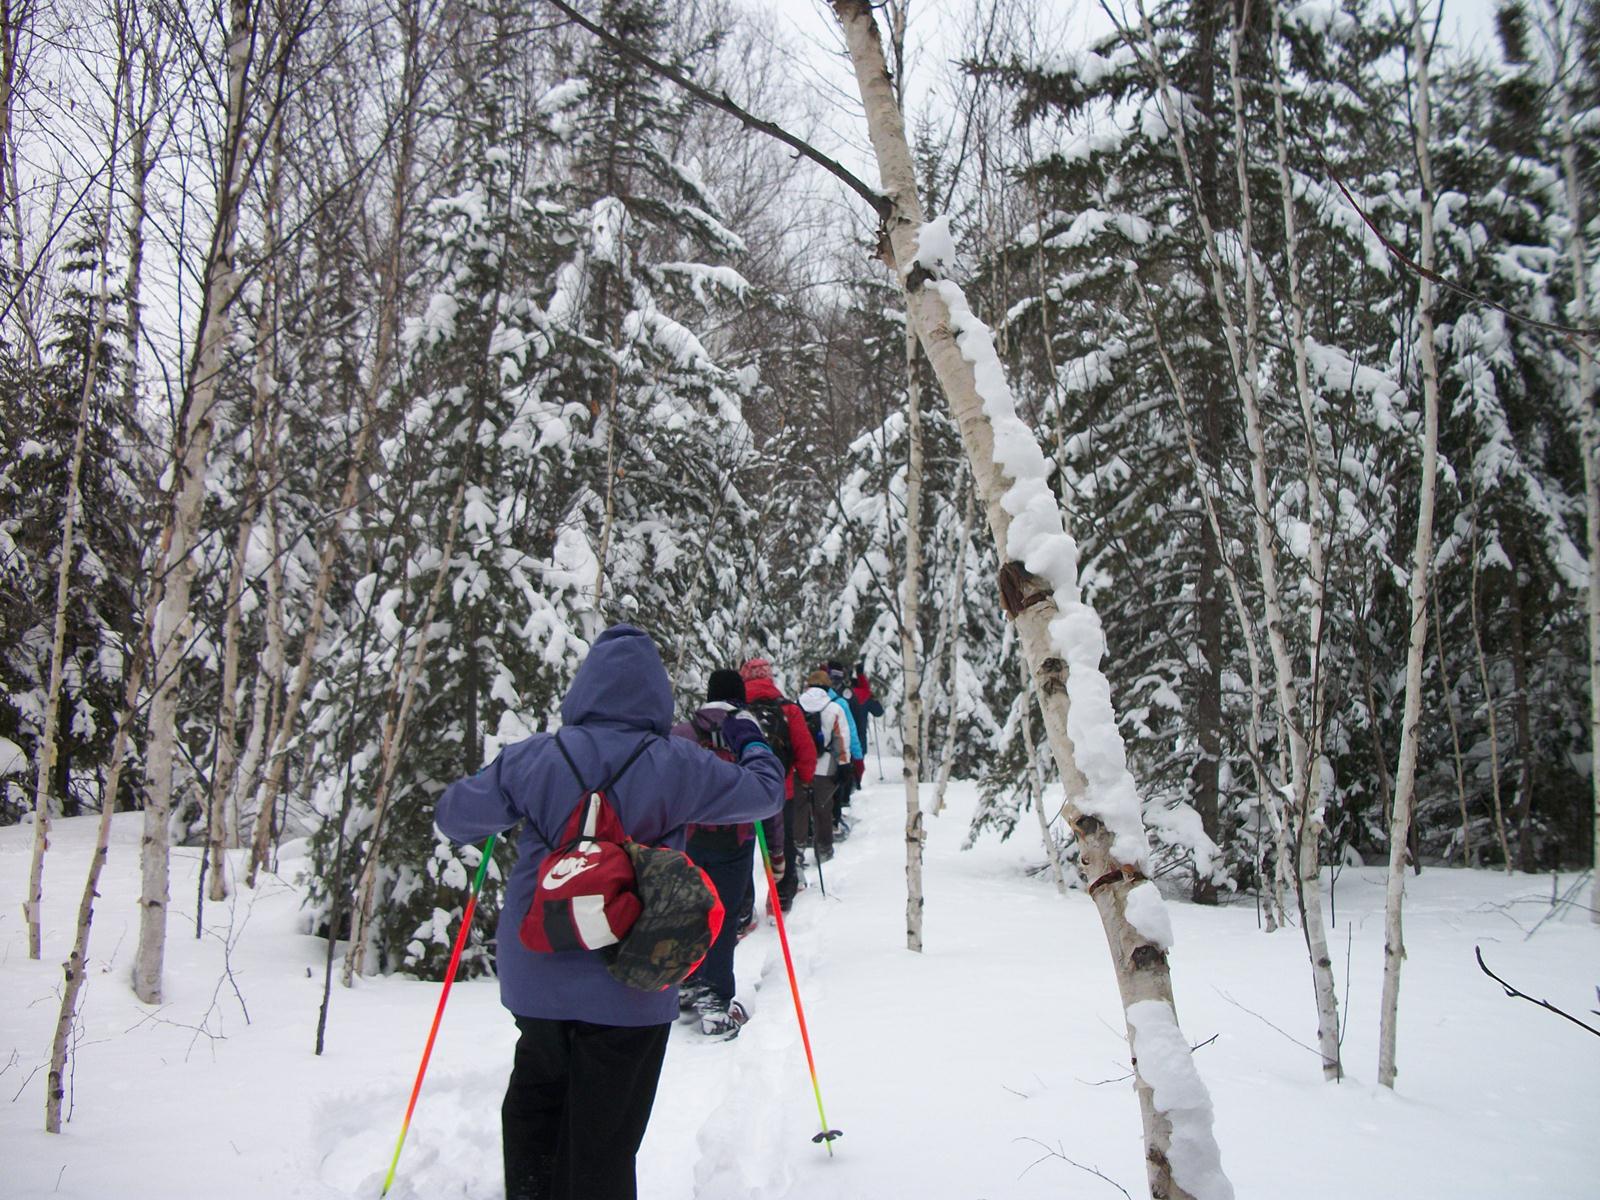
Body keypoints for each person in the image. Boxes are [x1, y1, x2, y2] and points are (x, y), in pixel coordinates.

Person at [433, 625, 783, 1200]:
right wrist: (746, 733)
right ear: (656, 696)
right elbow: (766, 793)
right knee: (604, 1141)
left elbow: (455, 816)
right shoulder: (677, 764)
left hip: (537, 968)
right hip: (634, 978)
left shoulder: (534, 758)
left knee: (535, 1104)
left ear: (583, 689)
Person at [672, 668, 761, 1037]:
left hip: (690, 838)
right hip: (736, 840)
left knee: (691, 911)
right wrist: (776, 849)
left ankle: (688, 978)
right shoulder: (747, 732)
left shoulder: (682, 733)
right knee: (722, 918)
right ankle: (715, 997)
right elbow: (762, 788)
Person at [739, 656, 817, 912]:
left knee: (743, 847)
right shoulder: (788, 710)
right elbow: (805, 750)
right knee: (783, 843)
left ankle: (743, 906)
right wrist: (805, 778)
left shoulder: (737, 710)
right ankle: (781, 897)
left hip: (744, 791)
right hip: (781, 789)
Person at [796, 668, 852, 863]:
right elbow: (841, 739)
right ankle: (824, 848)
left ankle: (798, 849)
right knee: (823, 808)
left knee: (800, 808)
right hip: (825, 765)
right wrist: (844, 765)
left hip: (800, 766)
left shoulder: (796, 706)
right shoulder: (834, 708)